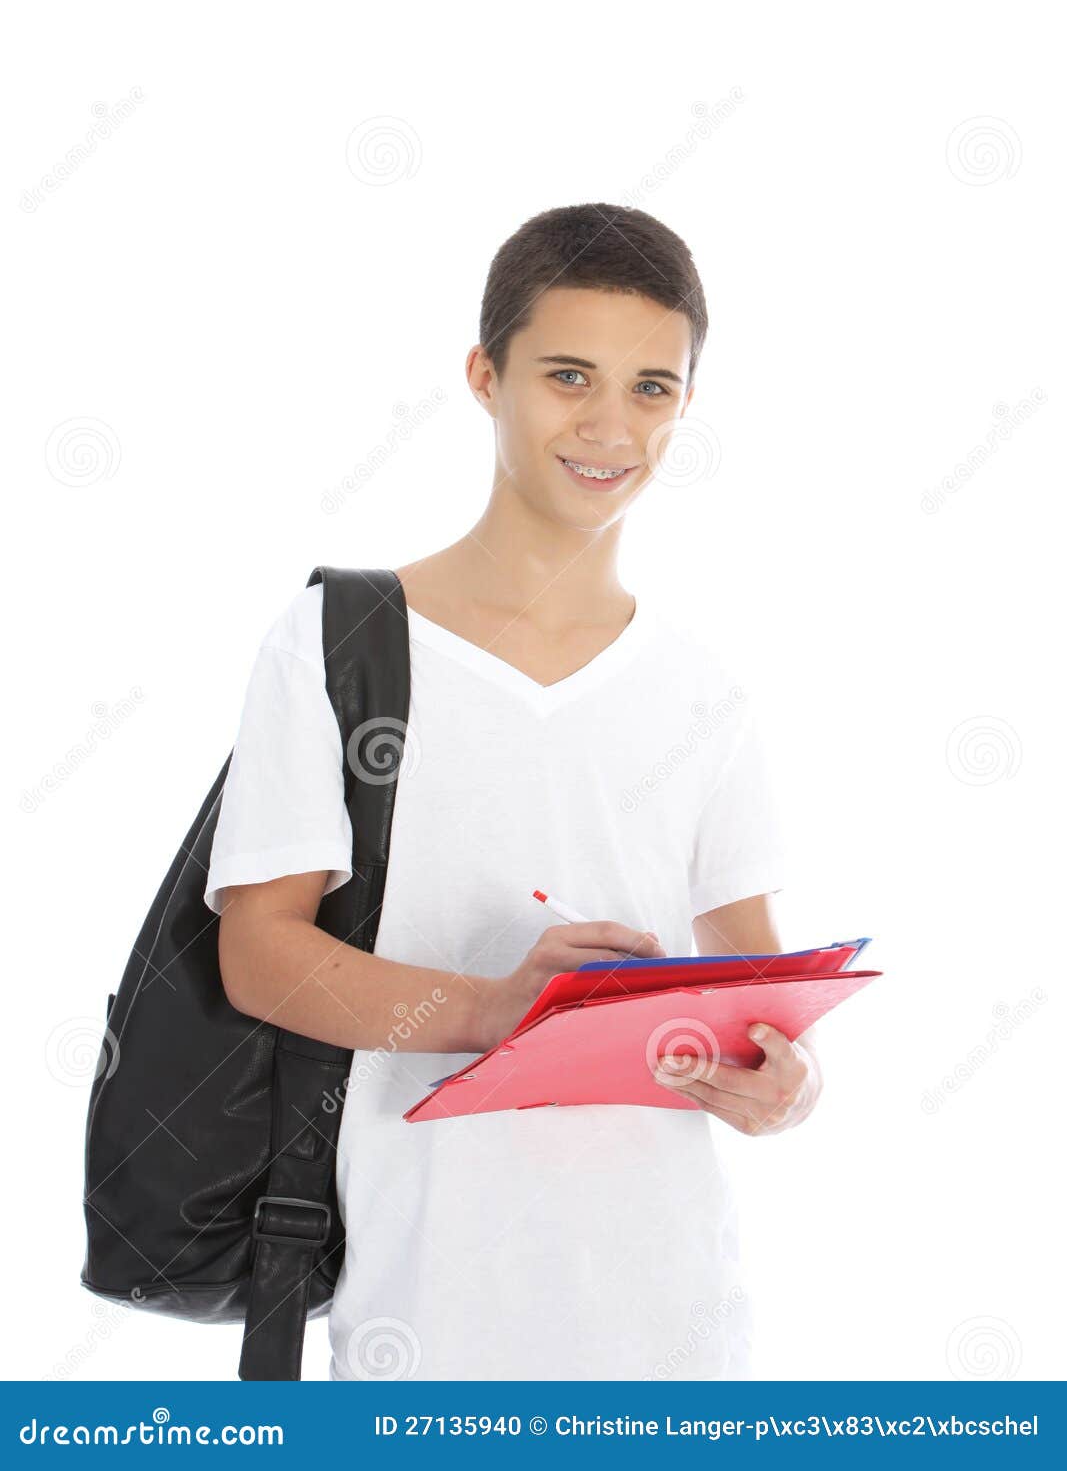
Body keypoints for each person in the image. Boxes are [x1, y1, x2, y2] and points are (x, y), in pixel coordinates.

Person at [204, 201, 821, 1382]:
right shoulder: (337, 642)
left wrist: (779, 1086)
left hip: (681, 1329)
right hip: (423, 1319)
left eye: (652, 386)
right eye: (568, 375)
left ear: (685, 404)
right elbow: (260, 956)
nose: (608, 423)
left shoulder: (704, 692)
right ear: (485, 376)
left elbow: (755, 995)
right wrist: (496, 1010)